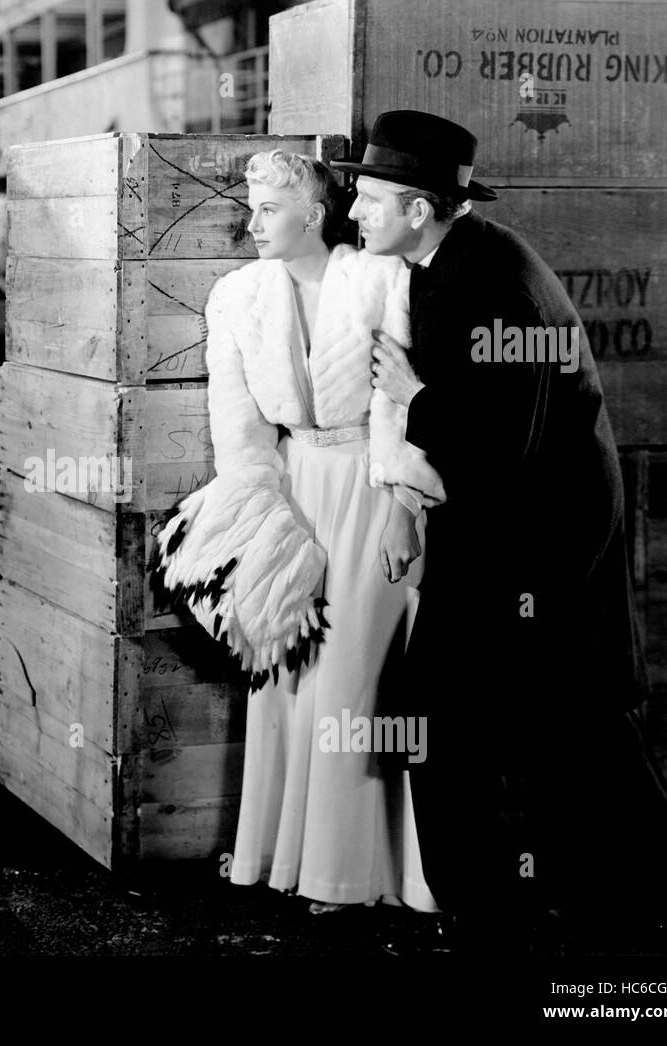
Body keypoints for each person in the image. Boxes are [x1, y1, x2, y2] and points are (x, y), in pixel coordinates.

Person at [337, 109, 667, 949]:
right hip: (519, 518)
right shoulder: (448, 259)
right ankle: (616, 877)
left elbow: (505, 440)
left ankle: (502, 901)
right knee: (563, 706)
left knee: (494, 707)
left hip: (540, 532)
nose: (352, 213)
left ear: (420, 208)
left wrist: (418, 395)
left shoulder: (485, 282)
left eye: (369, 198)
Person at [151, 151, 446, 914]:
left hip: (371, 484)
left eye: (266, 209)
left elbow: (402, 408)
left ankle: (371, 873)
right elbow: (238, 425)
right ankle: (299, 863)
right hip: (291, 489)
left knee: (360, 676)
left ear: (312, 214)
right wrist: (261, 528)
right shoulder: (237, 296)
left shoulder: (382, 281)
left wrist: (402, 510)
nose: (250, 224)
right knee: (293, 677)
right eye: (249, 207)